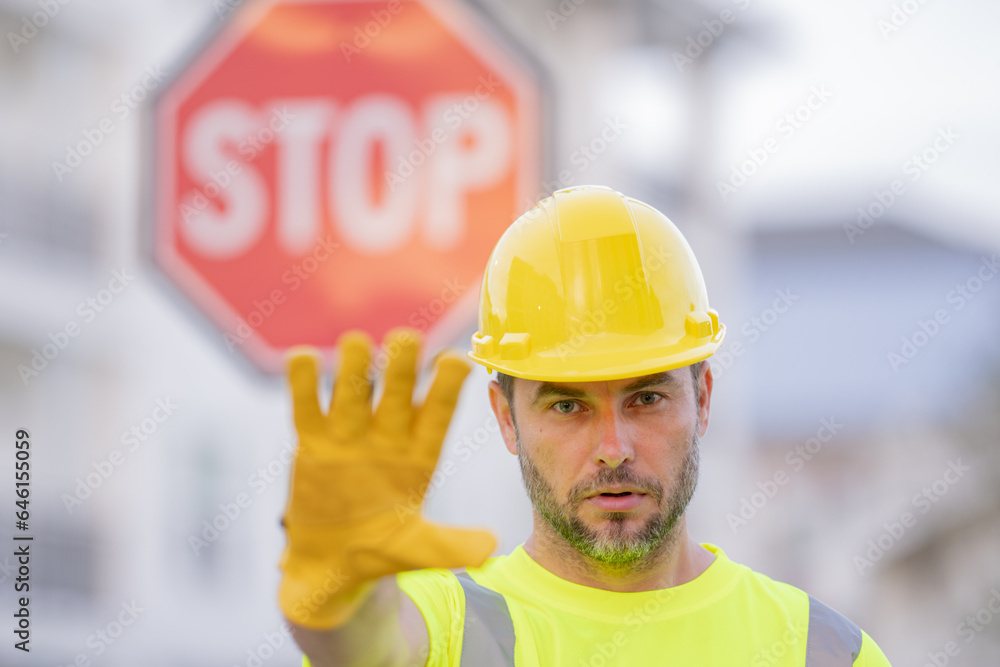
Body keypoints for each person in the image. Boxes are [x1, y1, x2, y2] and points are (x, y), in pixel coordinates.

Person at [277, 185, 892, 666]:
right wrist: (336, 595)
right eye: (566, 406)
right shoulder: (452, 627)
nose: (612, 449)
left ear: (703, 399)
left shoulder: (825, 653)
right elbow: (370, 647)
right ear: (505, 418)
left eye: (646, 398)